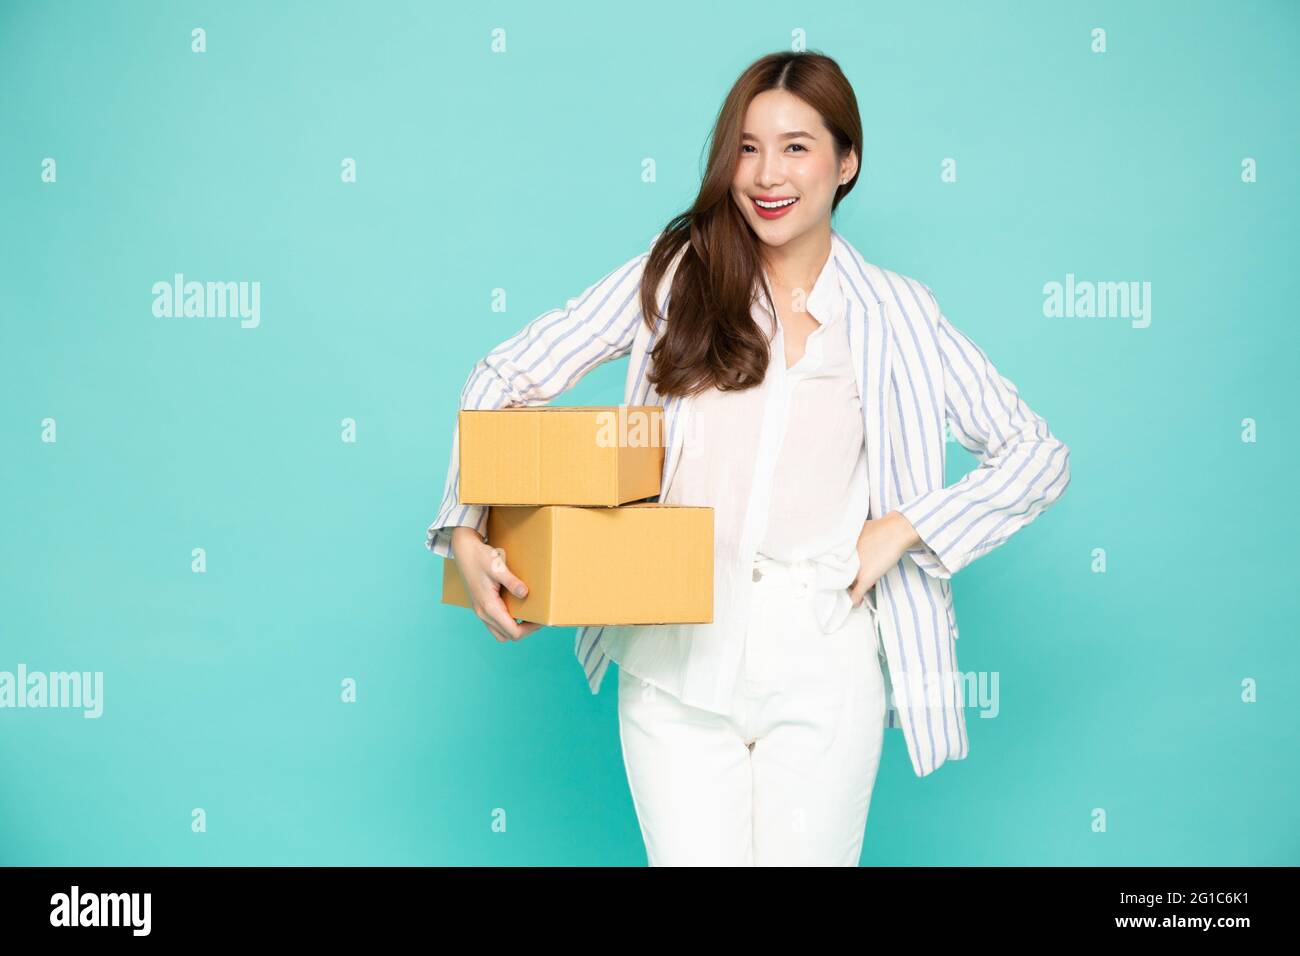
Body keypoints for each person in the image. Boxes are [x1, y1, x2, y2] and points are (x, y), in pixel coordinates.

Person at [426, 50, 1071, 866]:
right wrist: (464, 528)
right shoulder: (675, 275)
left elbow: (1035, 455)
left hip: (824, 666)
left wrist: (902, 528)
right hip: (674, 666)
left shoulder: (900, 314)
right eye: (748, 146)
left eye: (797, 147)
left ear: (847, 162)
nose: (767, 173)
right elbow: (505, 374)